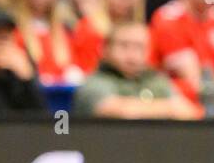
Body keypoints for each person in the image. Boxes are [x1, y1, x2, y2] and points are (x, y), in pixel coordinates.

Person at [72, 22, 201, 120]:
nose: (132, 55)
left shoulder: (156, 81)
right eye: (124, 45)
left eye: (139, 47)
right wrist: (170, 108)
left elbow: (189, 112)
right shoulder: (94, 82)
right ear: (105, 49)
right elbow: (119, 111)